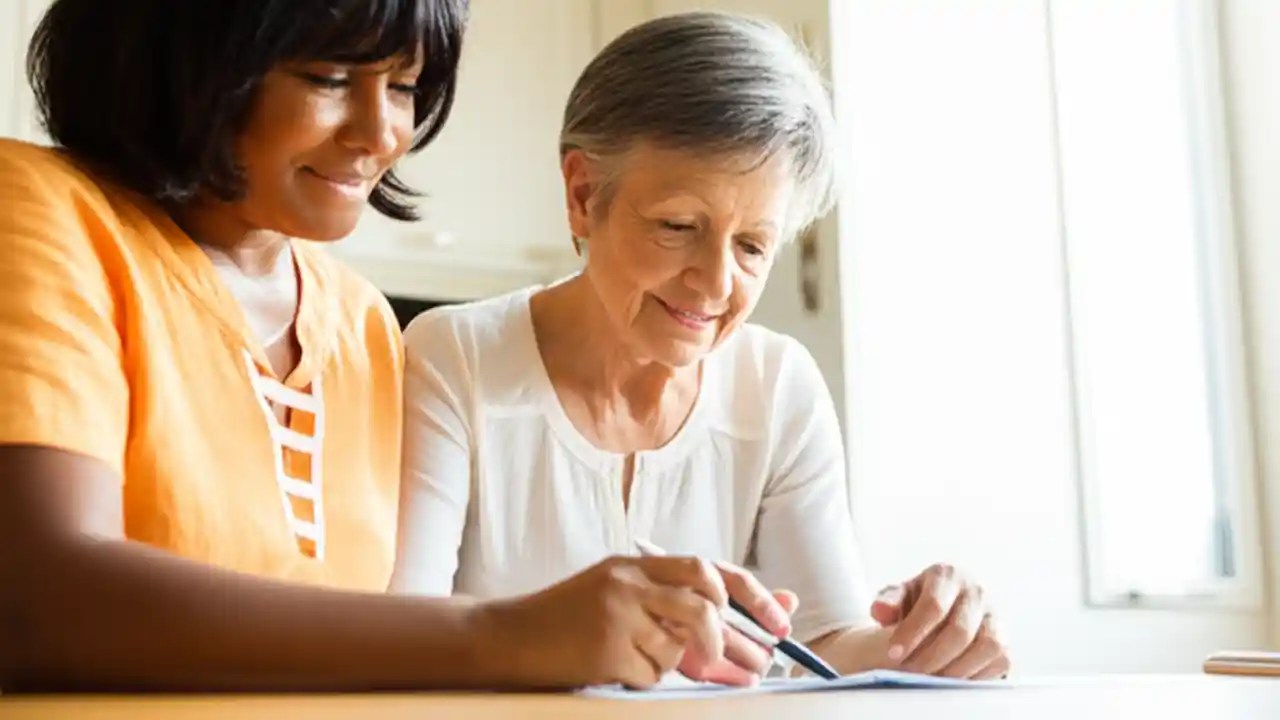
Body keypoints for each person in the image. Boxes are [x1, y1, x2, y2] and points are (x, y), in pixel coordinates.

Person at [0, 0, 791, 691]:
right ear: (181, 62)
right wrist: (511, 635)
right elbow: (38, 596)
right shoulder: (42, 211)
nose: (382, 133)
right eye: (329, 79)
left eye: (406, 87)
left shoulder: (363, 324)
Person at [391, 12, 1011, 680]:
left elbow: (826, 648)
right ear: (582, 195)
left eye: (752, 246)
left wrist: (927, 641)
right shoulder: (456, 357)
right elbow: (397, 634)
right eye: (678, 226)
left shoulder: (777, 386)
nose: (716, 282)